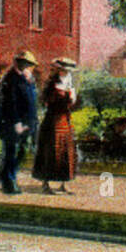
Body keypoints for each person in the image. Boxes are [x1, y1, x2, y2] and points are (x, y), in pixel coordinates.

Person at [33, 57, 80, 194]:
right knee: (51, 151)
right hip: (52, 121)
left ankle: (63, 184)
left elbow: (73, 103)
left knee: (66, 152)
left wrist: (71, 99)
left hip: (65, 121)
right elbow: (45, 100)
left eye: (67, 71)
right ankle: (45, 184)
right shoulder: (51, 85)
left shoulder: (69, 84)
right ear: (58, 71)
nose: (65, 73)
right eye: (63, 70)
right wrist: (58, 98)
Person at [0, 50, 39, 194]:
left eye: (29, 64)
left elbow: (32, 102)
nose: (27, 66)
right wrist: (16, 122)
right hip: (13, 123)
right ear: (18, 63)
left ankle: (4, 174)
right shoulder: (11, 78)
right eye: (25, 63)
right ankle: (9, 181)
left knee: (22, 150)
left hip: (27, 122)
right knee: (11, 152)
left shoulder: (28, 79)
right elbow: (10, 103)